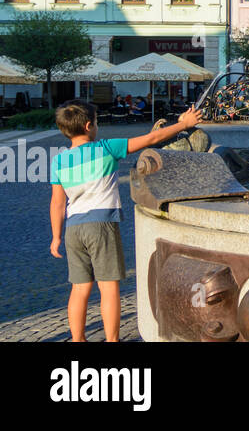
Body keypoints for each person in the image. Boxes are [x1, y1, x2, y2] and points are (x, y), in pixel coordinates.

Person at [49, 99, 201, 341]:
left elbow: (57, 203)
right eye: (97, 122)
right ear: (89, 126)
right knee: (108, 288)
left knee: (79, 289)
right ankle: (112, 339)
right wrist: (183, 125)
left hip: (73, 229)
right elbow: (151, 140)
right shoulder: (106, 148)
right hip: (101, 225)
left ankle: (78, 339)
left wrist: (56, 236)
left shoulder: (58, 161)